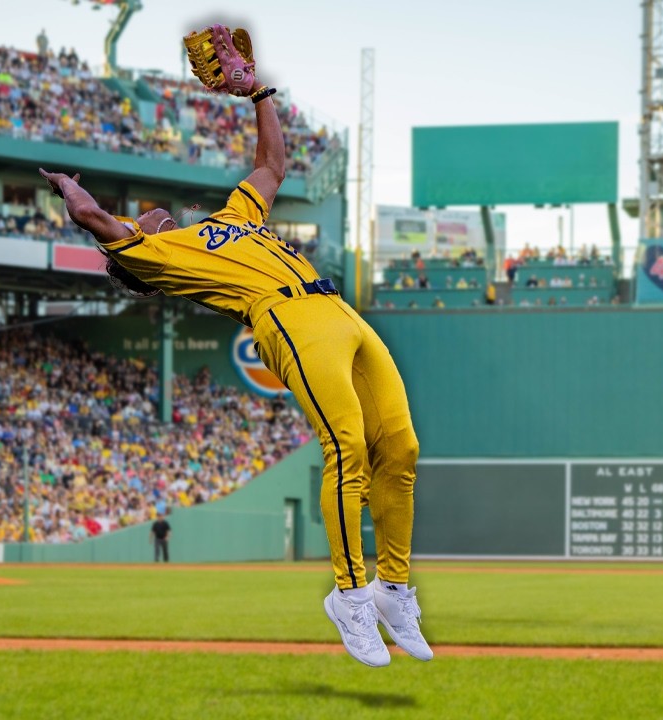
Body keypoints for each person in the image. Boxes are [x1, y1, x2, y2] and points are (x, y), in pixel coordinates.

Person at [38, 26, 429, 669]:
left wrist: (258, 93)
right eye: (139, 218)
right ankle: (351, 597)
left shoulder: (232, 220)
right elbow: (94, 220)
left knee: (402, 447)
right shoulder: (159, 255)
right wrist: (68, 188)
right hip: (286, 319)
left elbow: (272, 166)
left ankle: (393, 589)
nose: (148, 212)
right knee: (348, 448)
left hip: (337, 310)